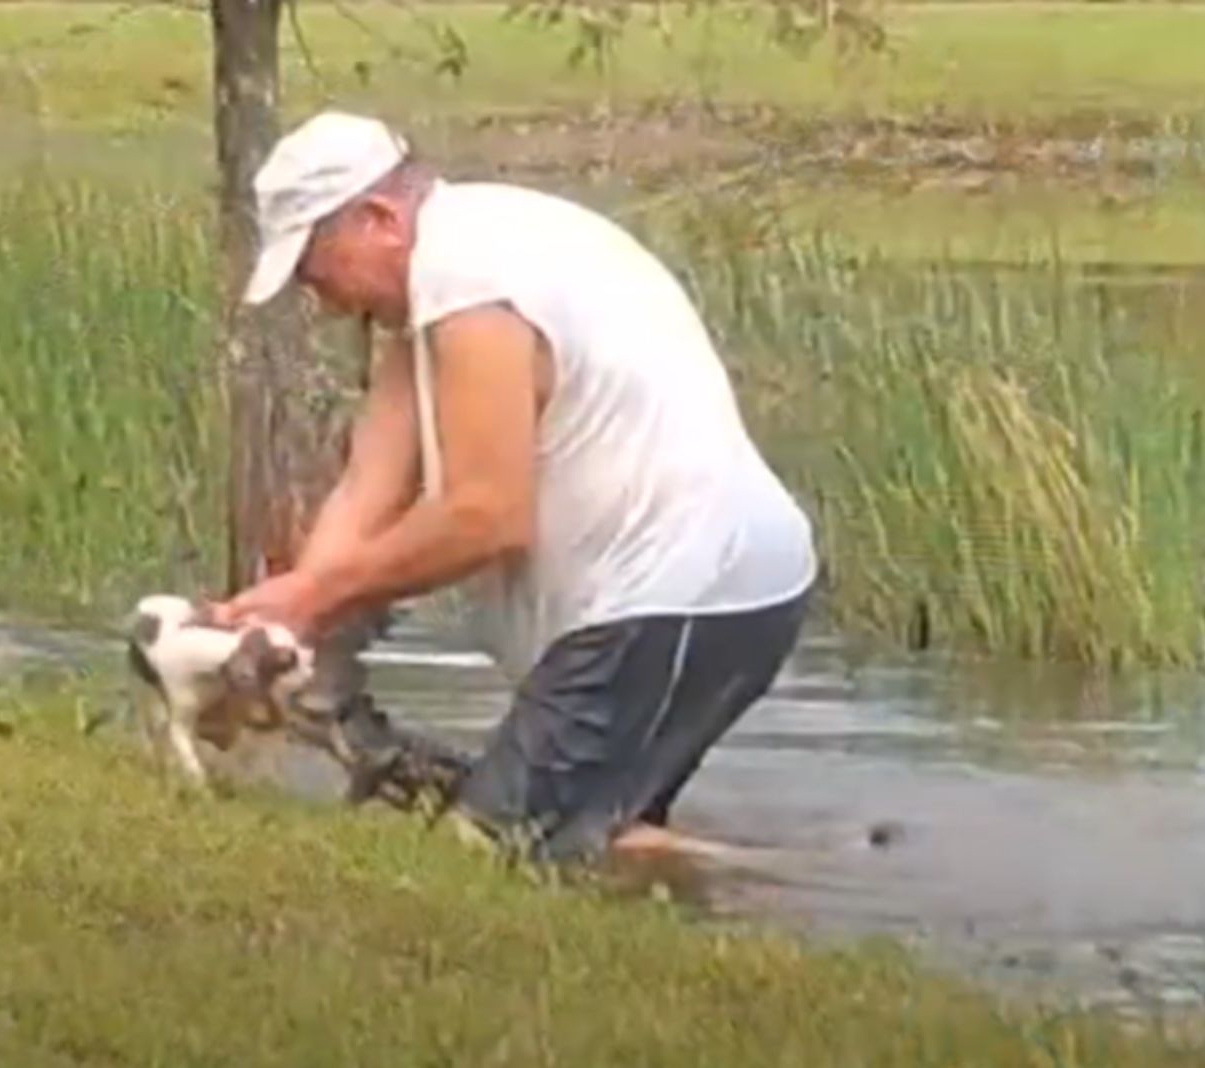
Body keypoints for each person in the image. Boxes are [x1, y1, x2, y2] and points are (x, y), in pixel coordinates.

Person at [210, 110, 818, 867]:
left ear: (377, 219)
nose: (322, 298)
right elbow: (370, 485)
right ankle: (785, 879)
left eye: (314, 265)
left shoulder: (472, 279)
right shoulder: (444, 282)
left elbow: (486, 516)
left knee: (482, 855)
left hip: (681, 594)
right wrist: (295, 617)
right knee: (587, 838)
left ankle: (832, 887)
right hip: (688, 593)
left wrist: (312, 597)